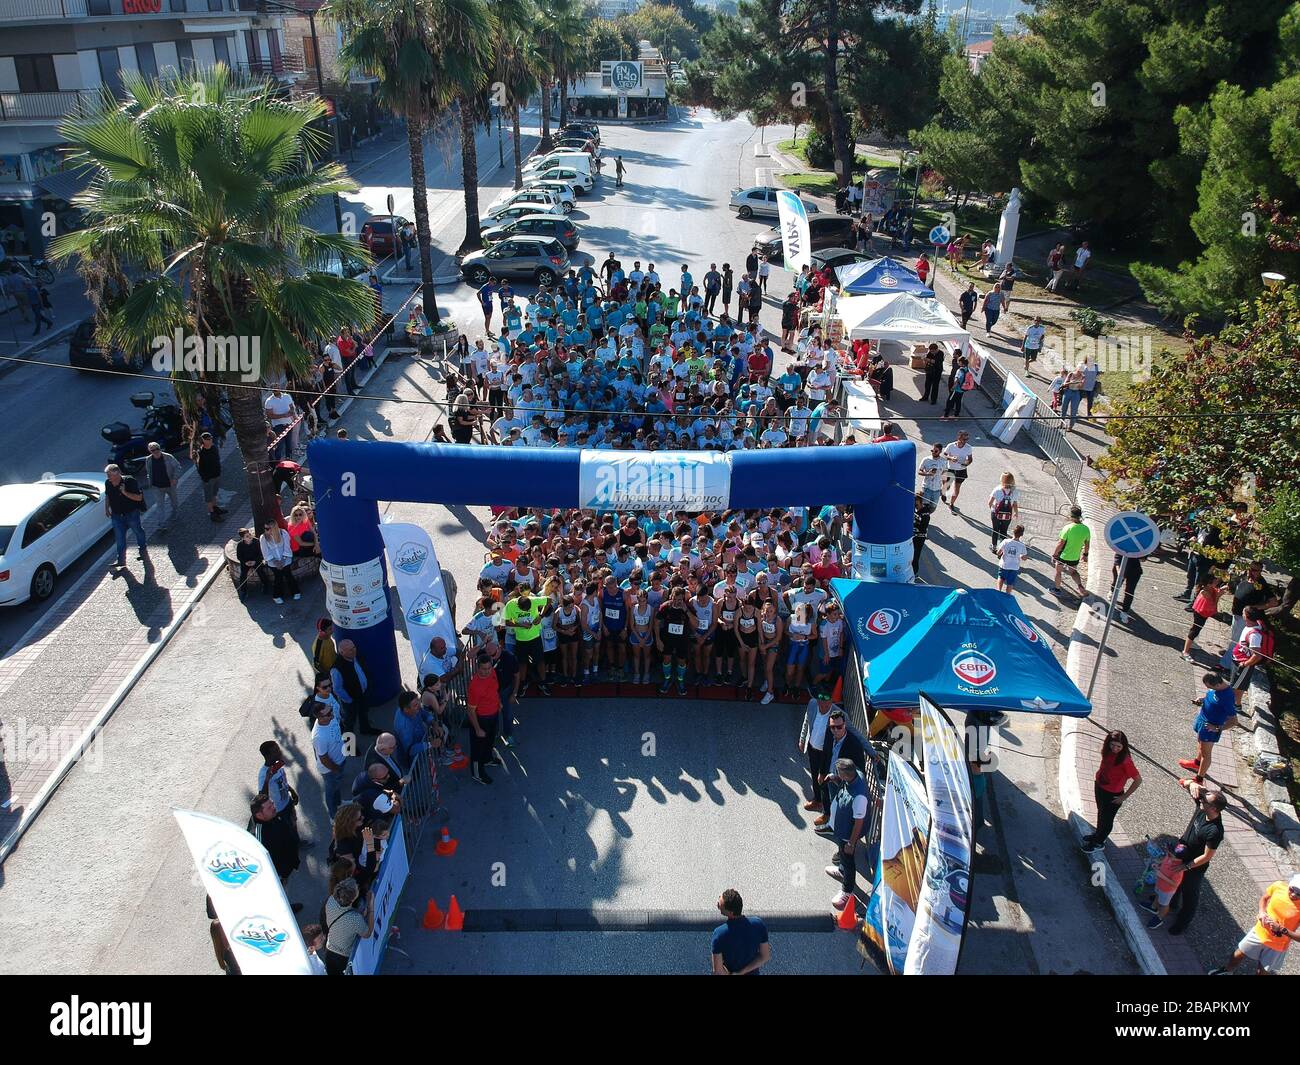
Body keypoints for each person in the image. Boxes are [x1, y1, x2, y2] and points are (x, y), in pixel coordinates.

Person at [1149, 778, 1225, 936]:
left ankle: (1183, 922)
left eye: (1205, 800)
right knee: (1174, 885)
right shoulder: (1203, 808)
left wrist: (1186, 866)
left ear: (1214, 808)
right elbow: (1183, 781)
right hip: (1181, 856)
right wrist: (1192, 784)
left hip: (1194, 867)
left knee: (1190, 894)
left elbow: (1207, 856)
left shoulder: (1215, 831)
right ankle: (1170, 904)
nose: (1201, 799)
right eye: (1203, 798)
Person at [1208, 876, 1300, 975]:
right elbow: (1264, 898)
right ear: (1289, 884)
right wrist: (1262, 912)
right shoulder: (1278, 886)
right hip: (1260, 931)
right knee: (1239, 953)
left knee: (1262, 971)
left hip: (1278, 945)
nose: (1294, 894)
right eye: (1292, 889)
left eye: (1299, 893)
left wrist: (1281, 929)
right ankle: (1227, 971)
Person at [1079, 730, 1142, 851]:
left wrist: (1123, 798)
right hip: (1100, 787)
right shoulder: (1107, 751)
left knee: (1107, 820)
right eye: (1112, 744)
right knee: (1101, 814)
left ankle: (1099, 843)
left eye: (1119, 746)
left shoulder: (1125, 761)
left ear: (1124, 746)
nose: (1115, 748)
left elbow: (1138, 780)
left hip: (1113, 795)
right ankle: (1097, 835)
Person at [1177, 673, 1237, 783]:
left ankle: (1199, 779)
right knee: (1200, 744)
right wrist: (1203, 699)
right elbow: (1211, 697)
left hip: (1210, 728)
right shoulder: (1216, 689)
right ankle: (1196, 763)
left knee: (1206, 754)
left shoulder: (1227, 698)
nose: (1208, 688)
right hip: (1202, 721)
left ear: (1218, 684)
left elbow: (1234, 721)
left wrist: (1217, 728)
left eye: (1210, 687)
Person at [827, 757, 869, 912]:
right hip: (840, 828)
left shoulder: (859, 797)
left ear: (846, 775)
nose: (837, 774)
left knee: (848, 859)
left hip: (847, 835)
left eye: (839, 773)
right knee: (843, 856)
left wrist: (851, 843)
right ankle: (841, 869)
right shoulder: (854, 775)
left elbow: (859, 822)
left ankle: (847, 891)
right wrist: (835, 779)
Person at [247, 793, 301, 909]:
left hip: (286, 868)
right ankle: (284, 910)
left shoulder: (272, 816)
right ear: (259, 814)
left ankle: (285, 906)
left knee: (283, 893)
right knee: (278, 896)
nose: (274, 807)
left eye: (272, 803)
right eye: (269, 807)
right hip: (278, 875)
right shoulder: (259, 835)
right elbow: (263, 863)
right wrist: (281, 875)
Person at [711, 889, 771, 975]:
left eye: (720, 905)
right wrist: (740, 973)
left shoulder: (719, 934)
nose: (717, 904)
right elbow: (765, 956)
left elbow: (718, 971)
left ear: (730, 912)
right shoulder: (758, 924)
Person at [322, 878, 374, 975]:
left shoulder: (330, 901)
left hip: (329, 951)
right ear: (353, 898)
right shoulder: (355, 919)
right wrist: (371, 906)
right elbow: (367, 933)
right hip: (343, 958)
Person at [103, 463, 149, 571]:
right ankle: (121, 561)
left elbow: (138, 498)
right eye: (108, 476)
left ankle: (142, 549)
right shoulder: (108, 483)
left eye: (110, 476)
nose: (109, 478)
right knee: (119, 538)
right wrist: (106, 508)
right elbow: (108, 496)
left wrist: (124, 492)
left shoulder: (129, 481)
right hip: (116, 516)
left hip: (131, 514)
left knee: (138, 531)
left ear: (118, 473)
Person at [1228, 605, 1273, 708]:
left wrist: (1245, 664)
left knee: (1234, 687)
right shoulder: (1252, 625)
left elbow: (1257, 656)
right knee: (1239, 686)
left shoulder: (1254, 635)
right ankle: (1237, 705)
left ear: (1247, 616)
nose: (1242, 614)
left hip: (1243, 664)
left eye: (1243, 613)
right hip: (1238, 659)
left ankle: (1228, 708)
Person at [467, 654, 502, 784]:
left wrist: (498, 702)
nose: (486, 671)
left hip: (493, 715)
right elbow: (470, 711)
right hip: (481, 719)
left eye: (488, 668)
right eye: (483, 669)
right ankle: (477, 773)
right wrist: (477, 729)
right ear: (478, 668)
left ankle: (487, 759)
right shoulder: (475, 686)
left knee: (489, 741)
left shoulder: (492, 672)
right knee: (478, 748)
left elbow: (495, 690)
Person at [800, 690, 835, 821]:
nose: (824, 708)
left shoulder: (838, 713)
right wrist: (802, 738)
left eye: (827, 706)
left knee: (824, 780)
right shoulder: (813, 704)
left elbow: (854, 731)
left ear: (831, 702)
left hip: (825, 753)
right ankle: (817, 801)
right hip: (812, 748)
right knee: (814, 775)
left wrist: (870, 751)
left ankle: (827, 813)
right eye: (822, 705)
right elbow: (806, 720)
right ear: (818, 701)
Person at [312, 701, 347, 817]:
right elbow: (323, 758)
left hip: (340, 760)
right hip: (330, 769)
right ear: (320, 717)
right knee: (330, 792)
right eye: (328, 713)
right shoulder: (319, 736)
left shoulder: (330, 719)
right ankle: (333, 816)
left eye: (331, 710)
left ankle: (339, 803)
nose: (332, 714)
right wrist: (335, 768)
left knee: (337, 786)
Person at [331, 639, 372, 734]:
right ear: (342, 652)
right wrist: (350, 701)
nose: (354, 650)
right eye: (350, 650)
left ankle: (365, 729)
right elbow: (337, 689)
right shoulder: (337, 669)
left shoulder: (355, 657)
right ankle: (349, 745)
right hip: (351, 700)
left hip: (362, 694)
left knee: (363, 713)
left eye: (354, 647)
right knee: (350, 722)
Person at [1182, 572, 1223, 662]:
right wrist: (1219, 596)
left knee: (1196, 629)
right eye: (1214, 580)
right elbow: (1213, 604)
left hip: (1203, 612)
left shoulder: (1210, 588)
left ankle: (1190, 644)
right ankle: (1185, 652)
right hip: (1200, 613)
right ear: (1209, 584)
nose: (1217, 581)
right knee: (1194, 630)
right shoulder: (1205, 592)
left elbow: (1216, 591)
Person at [1052, 505, 1090, 598]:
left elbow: (1061, 543)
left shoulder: (1068, 528)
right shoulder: (1086, 529)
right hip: (1074, 557)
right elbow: (1087, 544)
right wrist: (1085, 555)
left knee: (1058, 572)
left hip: (1063, 556)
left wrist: (1055, 554)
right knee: (1073, 572)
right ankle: (1080, 586)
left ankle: (1057, 590)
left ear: (1072, 516)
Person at [259, 519, 300, 604]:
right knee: (278, 577)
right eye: (265, 528)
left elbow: (287, 548)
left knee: (288, 575)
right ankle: (277, 595)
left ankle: (295, 591)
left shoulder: (283, 533)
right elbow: (266, 552)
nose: (266, 530)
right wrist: (276, 562)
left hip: (285, 559)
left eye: (268, 528)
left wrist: (283, 560)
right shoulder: (263, 538)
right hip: (273, 562)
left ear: (274, 528)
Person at [144, 441, 182, 526]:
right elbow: (149, 471)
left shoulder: (168, 457)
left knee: (174, 501)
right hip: (157, 486)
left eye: (157, 449)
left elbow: (177, 467)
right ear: (150, 451)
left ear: (160, 449)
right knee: (160, 505)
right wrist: (149, 480)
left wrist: (175, 478)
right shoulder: (148, 459)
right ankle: (161, 523)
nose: (156, 451)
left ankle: (175, 512)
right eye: (153, 450)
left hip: (170, 485)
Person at [196, 431, 226, 521]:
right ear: (203, 441)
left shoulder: (214, 448)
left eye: (210, 439)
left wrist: (218, 472)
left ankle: (215, 508)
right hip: (208, 478)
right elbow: (199, 467)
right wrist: (205, 478)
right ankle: (212, 513)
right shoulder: (200, 453)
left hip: (216, 475)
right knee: (209, 497)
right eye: (208, 439)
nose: (210, 441)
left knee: (214, 494)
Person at [940, 430, 973, 510]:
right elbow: (944, 455)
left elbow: (970, 459)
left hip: (961, 470)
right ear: (959, 438)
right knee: (946, 486)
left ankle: (951, 504)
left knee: (957, 488)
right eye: (964, 439)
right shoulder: (951, 445)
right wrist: (951, 458)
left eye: (967, 439)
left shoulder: (968, 447)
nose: (965, 441)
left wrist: (966, 463)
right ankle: (943, 493)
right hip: (950, 468)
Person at [987, 472, 1019, 551]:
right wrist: (1016, 512)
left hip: (996, 513)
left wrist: (992, 508)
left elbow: (990, 502)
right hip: (1008, 515)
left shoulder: (997, 489)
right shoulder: (1015, 491)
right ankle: (1002, 548)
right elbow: (1015, 504)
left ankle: (994, 546)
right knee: (1004, 531)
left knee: (995, 530)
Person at [995, 524, 1028, 593]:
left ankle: (998, 592)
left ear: (1013, 532)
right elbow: (1024, 558)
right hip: (1014, 567)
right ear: (1021, 535)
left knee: (1001, 578)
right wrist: (1021, 556)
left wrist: (1001, 551)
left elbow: (998, 552)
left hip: (1004, 565)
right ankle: (1007, 595)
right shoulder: (1022, 545)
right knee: (1010, 583)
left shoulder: (1006, 541)